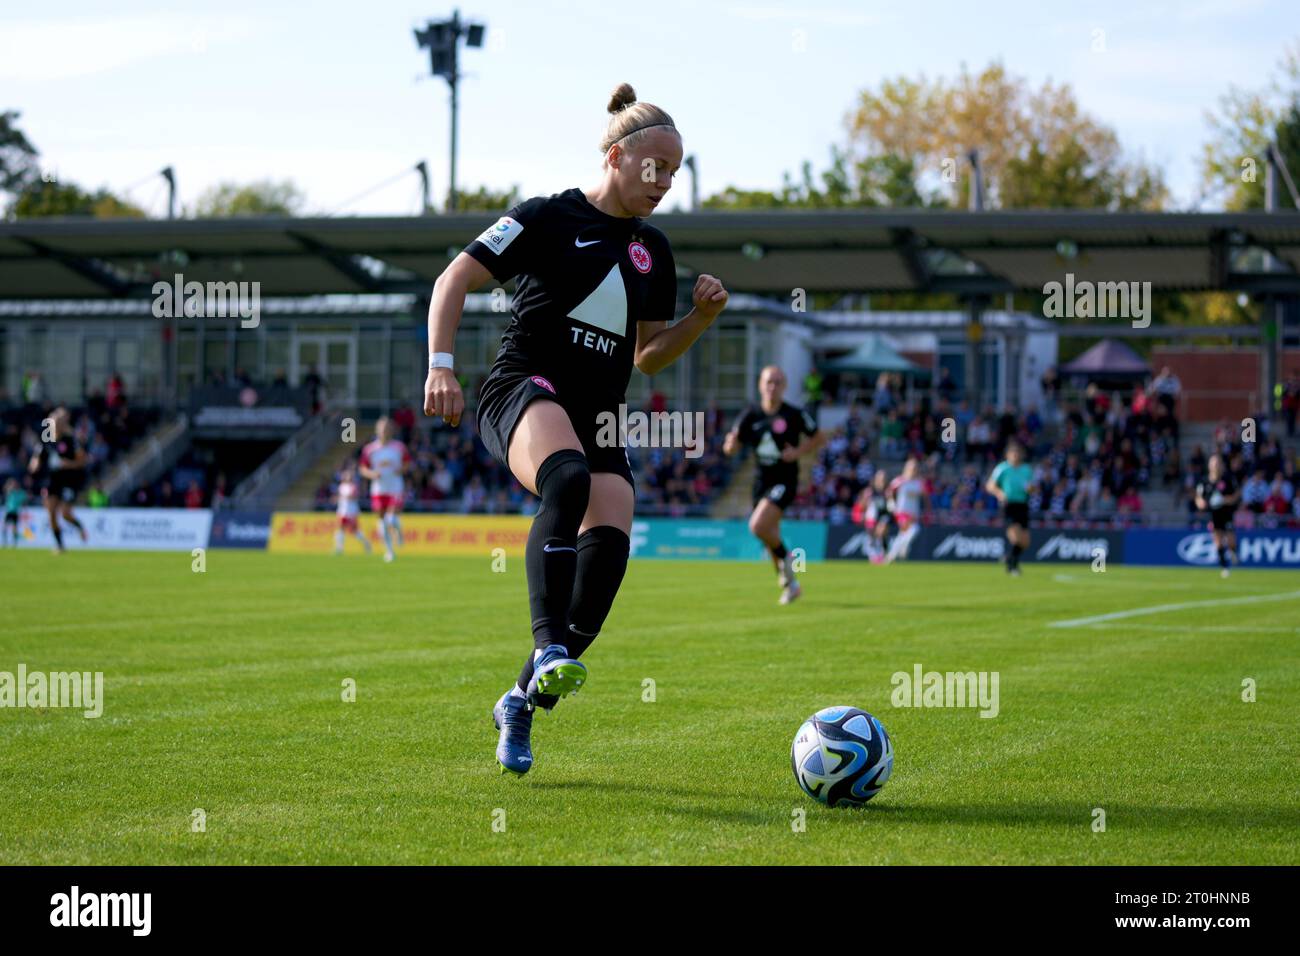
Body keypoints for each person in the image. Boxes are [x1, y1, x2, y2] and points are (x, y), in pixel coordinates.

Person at [423, 83, 728, 775]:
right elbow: (453, 279)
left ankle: (522, 699)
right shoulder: (548, 216)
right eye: (655, 168)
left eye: (675, 173)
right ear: (617, 156)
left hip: (598, 413)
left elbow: (648, 356)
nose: (665, 184)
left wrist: (700, 321)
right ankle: (549, 643)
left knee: (611, 551)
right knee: (565, 478)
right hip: (522, 386)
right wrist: (442, 366)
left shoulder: (655, 250)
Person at [723, 366, 826, 604]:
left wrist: (798, 451)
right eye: (769, 382)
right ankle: (792, 585)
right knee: (770, 534)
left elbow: (819, 437)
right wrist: (730, 446)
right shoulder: (751, 414)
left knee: (758, 526)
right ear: (760, 385)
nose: (773, 387)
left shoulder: (794, 414)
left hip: (785, 480)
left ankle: (788, 560)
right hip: (761, 481)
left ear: (785, 386)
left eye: (778, 382)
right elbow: (733, 445)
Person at [27, 407, 88, 554]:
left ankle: (79, 526)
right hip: (51, 480)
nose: (56, 424)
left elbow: (83, 461)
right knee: (51, 514)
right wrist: (34, 465)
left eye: (60, 421)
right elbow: (37, 458)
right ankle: (60, 545)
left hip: (68, 480)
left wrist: (68, 464)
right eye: (54, 421)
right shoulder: (46, 439)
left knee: (65, 513)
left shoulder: (71, 440)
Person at [358, 417, 411, 563]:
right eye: (382, 428)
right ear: (377, 430)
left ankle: (398, 532)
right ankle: (389, 551)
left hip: (395, 487)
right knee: (382, 522)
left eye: (387, 427)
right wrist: (372, 474)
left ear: (392, 430)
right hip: (378, 489)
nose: (385, 430)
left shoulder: (399, 447)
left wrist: (400, 470)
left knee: (391, 518)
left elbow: (407, 464)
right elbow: (362, 468)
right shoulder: (370, 449)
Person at [985, 440, 1034, 576]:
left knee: (1026, 542)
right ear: (1008, 455)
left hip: (1023, 505)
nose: (1016, 455)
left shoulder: (1026, 469)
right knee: (1016, 537)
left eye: (1018, 453)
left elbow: (1032, 487)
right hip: (1009, 505)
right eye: (1013, 453)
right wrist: (1000, 493)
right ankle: (1012, 565)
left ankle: (1009, 557)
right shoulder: (1002, 468)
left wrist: (1031, 489)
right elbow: (990, 485)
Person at [1194, 453, 1240, 578]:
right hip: (1213, 514)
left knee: (1230, 540)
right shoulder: (1204, 481)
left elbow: (1236, 495)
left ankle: (1233, 552)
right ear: (1209, 466)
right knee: (1218, 542)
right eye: (1213, 463)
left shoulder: (1228, 479)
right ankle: (1225, 568)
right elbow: (1198, 497)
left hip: (1227, 513)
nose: (1216, 466)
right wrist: (1200, 503)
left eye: (1218, 463)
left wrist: (1225, 500)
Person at [884, 457, 927, 563]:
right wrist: (891, 503)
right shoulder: (900, 480)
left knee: (903, 535)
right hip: (902, 512)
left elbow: (925, 496)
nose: (913, 470)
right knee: (915, 530)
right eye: (911, 468)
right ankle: (902, 549)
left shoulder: (918, 483)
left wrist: (925, 510)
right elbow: (889, 492)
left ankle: (891, 555)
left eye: (915, 468)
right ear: (906, 468)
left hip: (914, 513)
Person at [333, 467, 372, 556]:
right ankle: (339, 548)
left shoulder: (353, 487)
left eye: (349, 475)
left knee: (354, 531)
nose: (347, 477)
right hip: (342, 511)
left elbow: (353, 496)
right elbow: (340, 497)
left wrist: (344, 497)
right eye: (346, 475)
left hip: (351, 512)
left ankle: (366, 543)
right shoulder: (341, 486)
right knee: (340, 529)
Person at [3, 478, 25, 546]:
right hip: (9, 511)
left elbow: (24, 498)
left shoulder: (19, 492)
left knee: (14, 528)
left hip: (15, 512)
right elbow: (6, 490)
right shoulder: (10, 492)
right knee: (5, 527)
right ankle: (5, 541)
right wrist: (10, 484)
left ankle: (14, 542)